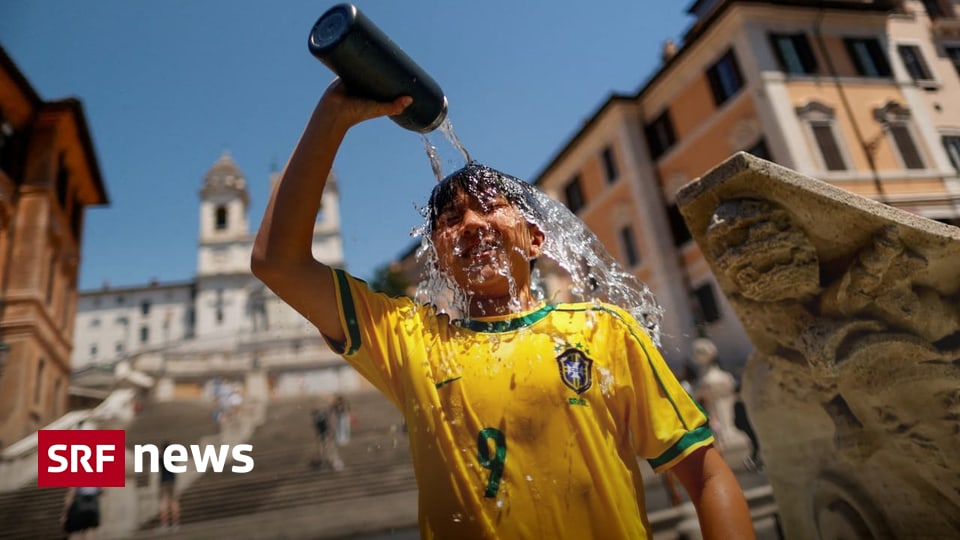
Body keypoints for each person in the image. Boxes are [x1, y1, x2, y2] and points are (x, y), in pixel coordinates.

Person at [251, 78, 754, 539]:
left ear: (535, 238)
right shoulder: (410, 340)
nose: (470, 223)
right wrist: (331, 115)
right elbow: (278, 263)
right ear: (438, 253)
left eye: (489, 205)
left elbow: (708, 476)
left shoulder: (605, 331)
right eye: (450, 218)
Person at [158, 441, 181, 531]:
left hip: (164, 481)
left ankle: (164, 524)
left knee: (164, 502)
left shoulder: (160, 458)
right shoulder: (172, 457)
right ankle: (176, 524)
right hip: (172, 480)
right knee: (174, 502)